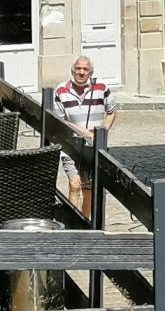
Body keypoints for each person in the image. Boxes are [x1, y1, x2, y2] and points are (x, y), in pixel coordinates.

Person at [51, 55, 117, 217]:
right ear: (72, 71)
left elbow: (112, 111)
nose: (81, 72)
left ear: (90, 72)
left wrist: (102, 132)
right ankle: (73, 223)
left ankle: (84, 223)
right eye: (78, 68)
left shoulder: (101, 88)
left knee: (88, 189)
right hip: (70, 147)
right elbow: (60, 121)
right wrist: (84, 132)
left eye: (85, 69)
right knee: (74, 184)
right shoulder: (61, 90)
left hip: (93, 148)